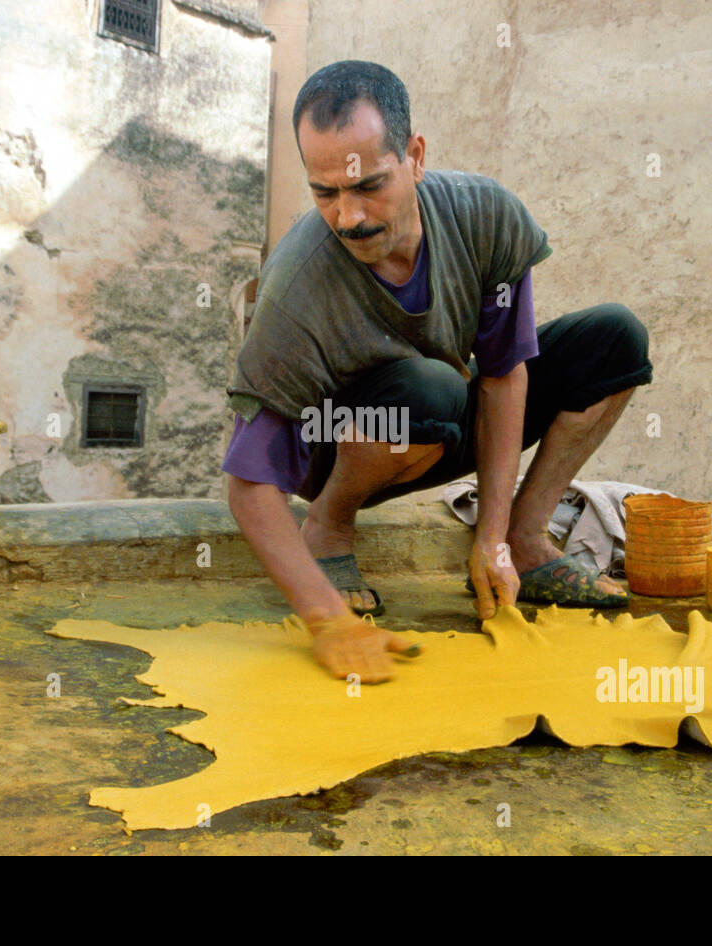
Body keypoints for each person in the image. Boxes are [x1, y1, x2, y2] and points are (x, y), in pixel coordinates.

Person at [222, 61, 653, 684]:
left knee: (614, 340)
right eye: (325, 193)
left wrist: (494, 537)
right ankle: (331, 528)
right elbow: (248, 484)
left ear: (415, 156)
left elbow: (505, 374)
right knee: (431, 387)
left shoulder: (486, 219)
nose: (349, 217)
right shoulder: (295, 291)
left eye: (369, 184)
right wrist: (325, 620)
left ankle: (528, 543)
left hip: (446, 421)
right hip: (341, 445)